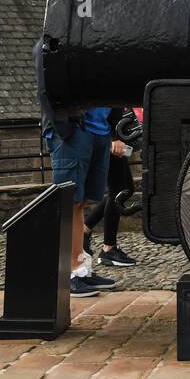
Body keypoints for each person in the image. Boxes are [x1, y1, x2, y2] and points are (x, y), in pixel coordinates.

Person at [34, 39, 119, 296]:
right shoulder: (49, 46)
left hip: (97, 132)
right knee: (69, 202)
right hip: (74, 134)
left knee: (80, 203)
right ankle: (68, 274)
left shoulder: (92, 42)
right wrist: (66, 131)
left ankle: (81, 269)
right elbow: (46, 88)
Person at [83, 107, 140, 268]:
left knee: (126, 188)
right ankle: (108, 248)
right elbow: (108, 101)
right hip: (108, 135)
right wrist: (115, 136)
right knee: (119, 190)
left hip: (110, 133)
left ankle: (85, 229)